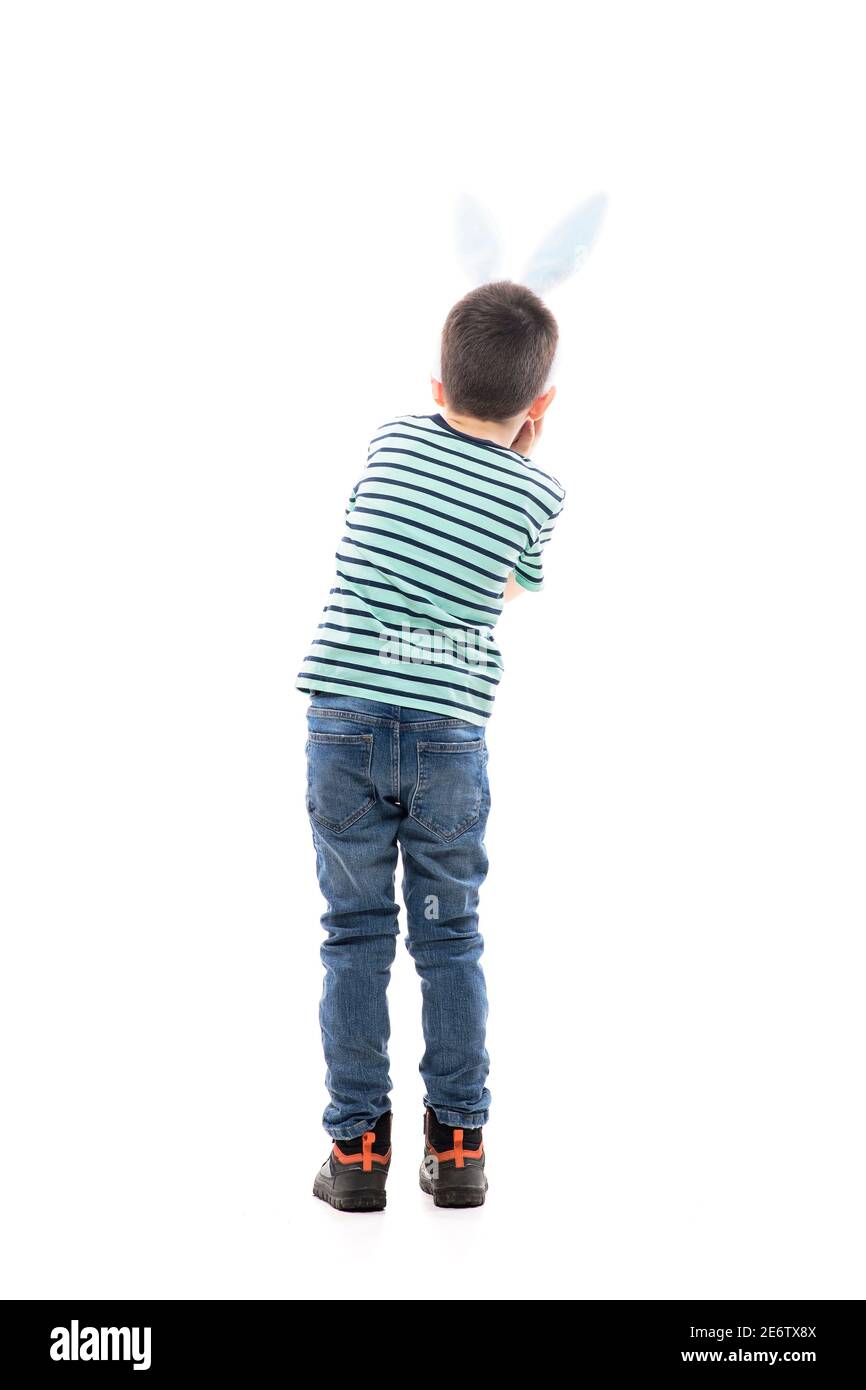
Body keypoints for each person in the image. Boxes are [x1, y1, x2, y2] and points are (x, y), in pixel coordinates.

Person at [296, 280, 565, 1210]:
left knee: (355, 937)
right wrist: (520, 460)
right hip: (450, 734)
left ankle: (358, 1156)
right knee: (451, 941)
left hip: (341, 728)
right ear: (542, 406)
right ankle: (459, 1152)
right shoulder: (541, 489)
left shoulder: (393, 436)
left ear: (436, 384)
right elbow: (509, 590)